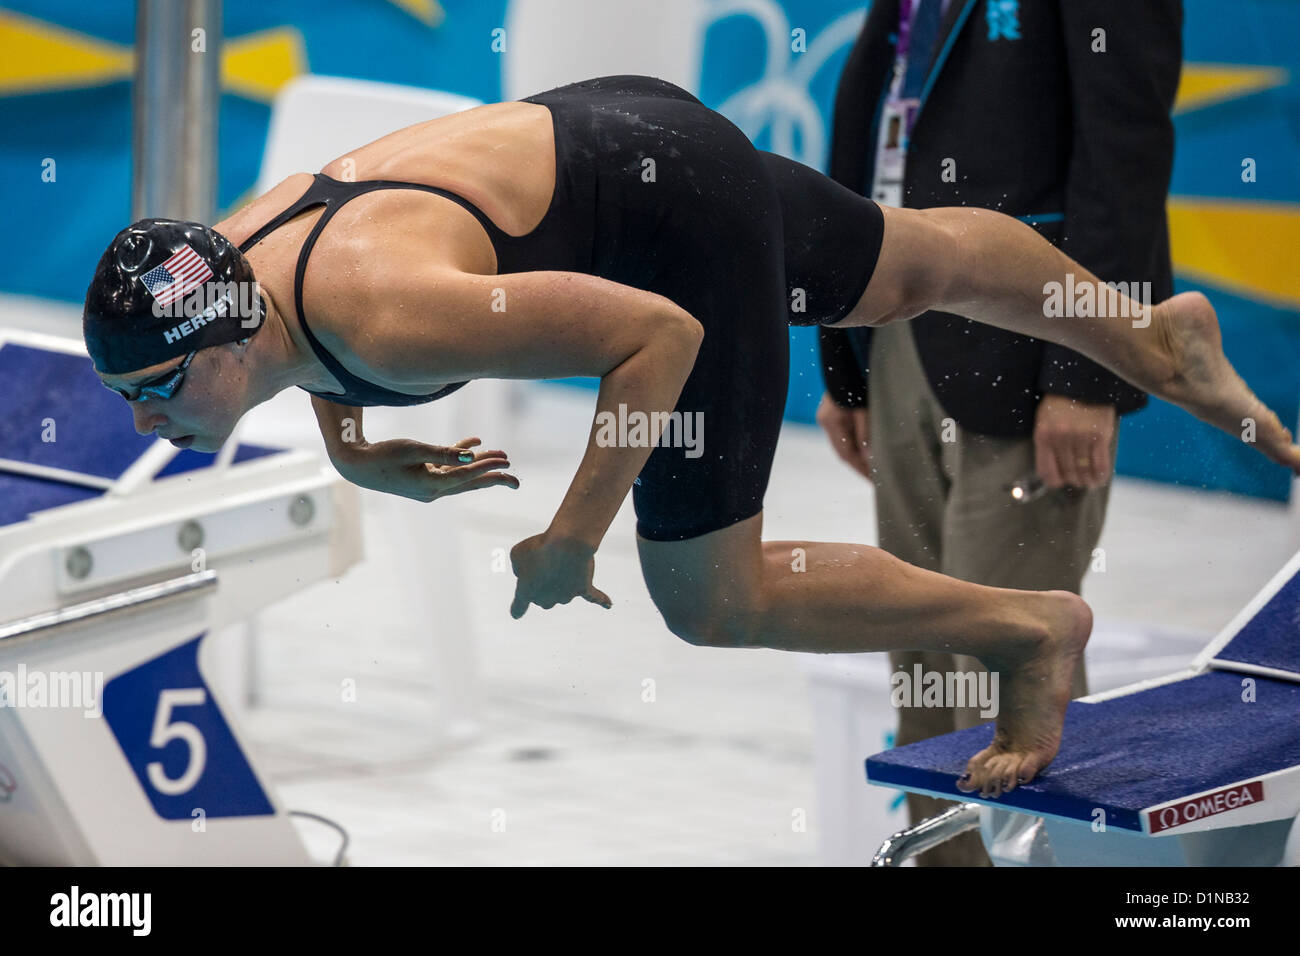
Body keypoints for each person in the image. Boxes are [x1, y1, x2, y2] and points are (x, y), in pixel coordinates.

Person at [82, 75, 1299, 799]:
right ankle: (1149, 337)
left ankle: (1030, 627)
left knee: (710, 597)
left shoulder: (391, 316)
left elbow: (655, 339)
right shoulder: (230, 264)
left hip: (665, 218)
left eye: (155, 390)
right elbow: (296, 327)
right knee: (905, 266)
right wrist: (348, 441)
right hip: (620, 136)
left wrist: (571, 535)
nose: (142, 418)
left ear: (227, 344)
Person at [815, 0, 1182, 864]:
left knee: (1012, 660)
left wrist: (1088, 373)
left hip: (1032, 344)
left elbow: (1123, 152)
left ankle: (1041, 858)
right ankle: (939, 857)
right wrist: (846, 356)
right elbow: (875, 121)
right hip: (900, 317)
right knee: (924, 645)